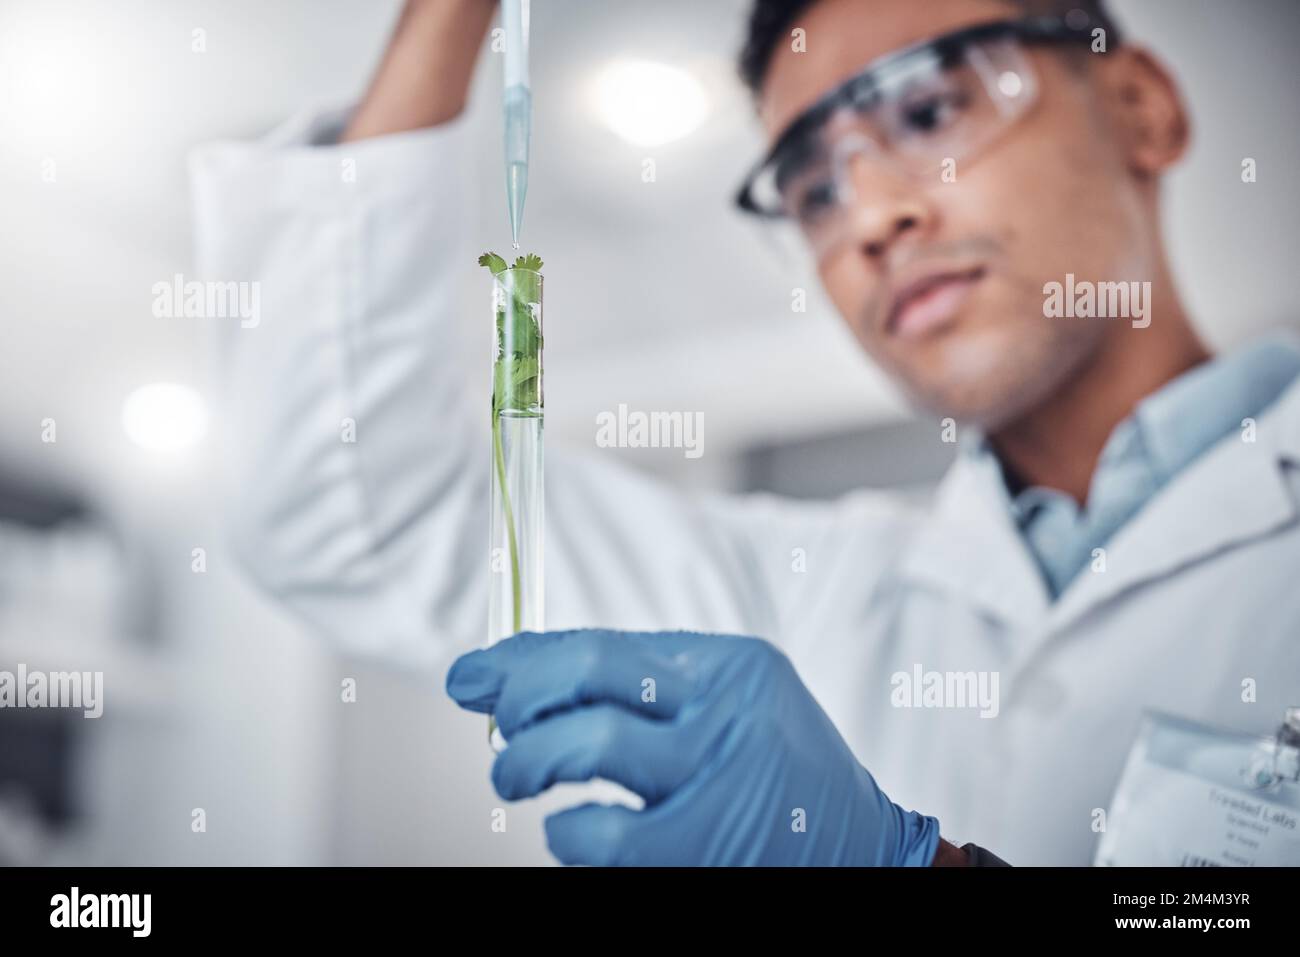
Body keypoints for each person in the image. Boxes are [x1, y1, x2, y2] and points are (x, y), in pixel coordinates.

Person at [192, 0, 1300, 865]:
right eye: (812, 187)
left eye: (928, 111)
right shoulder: (797, 593)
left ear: (1141, 104)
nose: (869, 218)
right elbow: (347, 504)